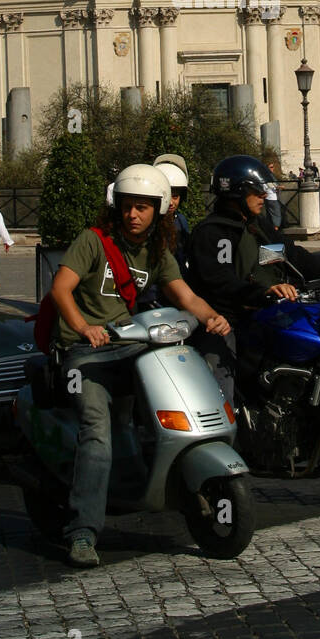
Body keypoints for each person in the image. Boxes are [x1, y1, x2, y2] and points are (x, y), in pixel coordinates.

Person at [50, 163, 229, 569]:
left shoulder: (157, 251)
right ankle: (82, 531)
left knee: (172, 399)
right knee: (97, 432)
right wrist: (85, 328)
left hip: (131, 346)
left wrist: (212, 317)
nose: (133, 214)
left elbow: (185, 297)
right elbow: (60, 289)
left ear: (159, 210)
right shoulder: (92, 241)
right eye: (127, 206)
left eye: (142, 207)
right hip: (85, 354)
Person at [186, 155, 298, 406]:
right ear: (236, 192)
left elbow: (287, 254)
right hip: (224, 321)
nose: (263, 195)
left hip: (262, 316)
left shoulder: (255, 228)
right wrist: (262, 293)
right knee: (221, 391)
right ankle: (228, 425)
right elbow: (221, 281)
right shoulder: (215, 232)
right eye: (256, 190)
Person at [152, 153, 191, 274]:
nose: (170, 203)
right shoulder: (148, 221)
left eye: (175, 197)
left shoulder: (180, 220)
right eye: (166, 196)